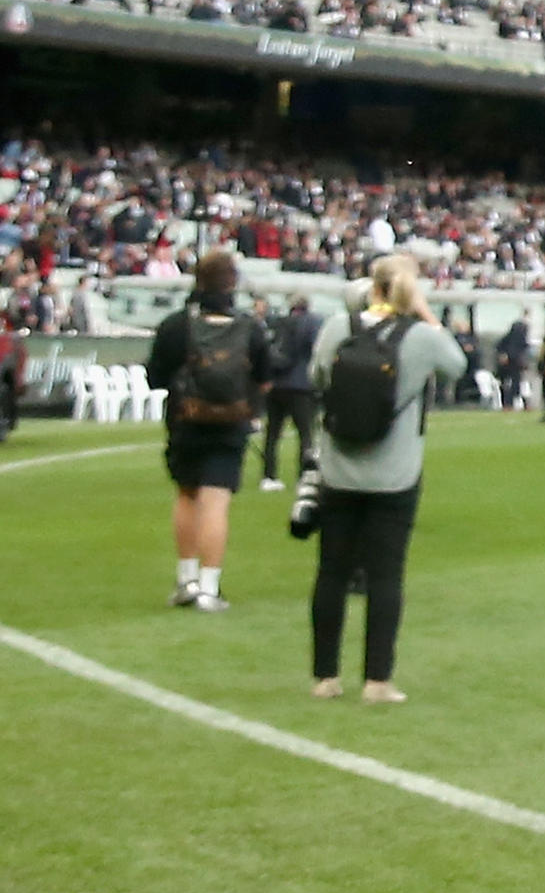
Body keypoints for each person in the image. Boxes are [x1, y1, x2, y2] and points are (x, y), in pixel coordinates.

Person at [301, 251, 471, 703]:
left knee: (331, 572)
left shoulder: (339, 327)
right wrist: (427, 315)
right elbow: (457, 365)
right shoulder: (420, 336)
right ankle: (377, 679)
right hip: (394, 471)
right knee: (385, 576)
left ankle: (325, 676)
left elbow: (317, 375)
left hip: (338, 467)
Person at [146, 249, 259, 613]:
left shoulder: (177, 325)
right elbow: (265, 374)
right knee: (216, 501)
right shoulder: (248, 326)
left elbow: (155, 377)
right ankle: (210, 587)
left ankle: (186, 579)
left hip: (185, 419)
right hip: (230, 423)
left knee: (187, 496)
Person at [253, 281, 321, 490]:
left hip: (276, 383)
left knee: (272, 432)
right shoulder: (313, 322)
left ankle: (269, 475)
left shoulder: (278, 322)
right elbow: (316, 350)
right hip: (301, 385)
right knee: (305, 433)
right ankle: (303, 475)